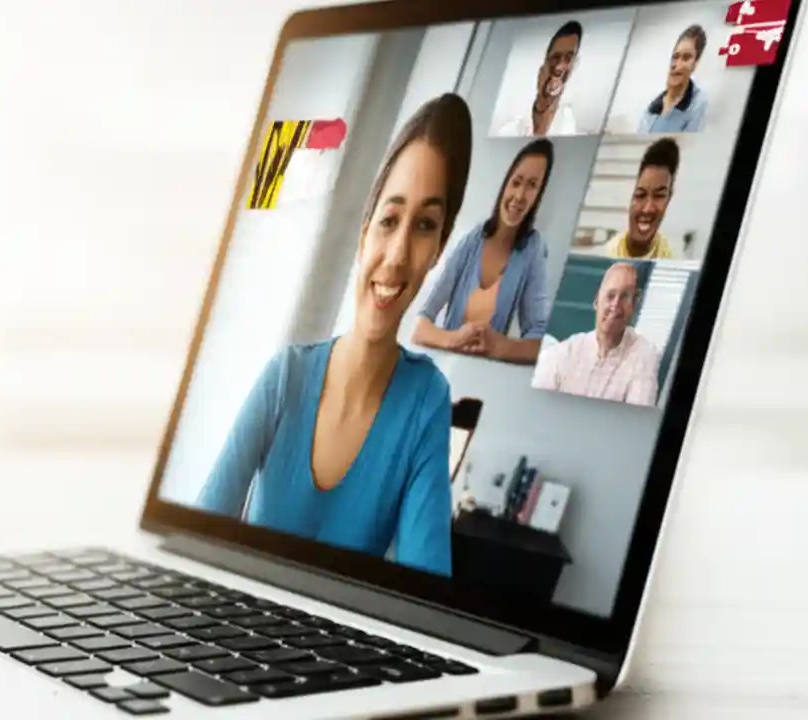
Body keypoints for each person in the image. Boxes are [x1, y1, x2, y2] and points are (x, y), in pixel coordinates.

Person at [194, 94, 474, 577]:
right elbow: (197, 539)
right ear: (364, 233)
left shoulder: (427, 400)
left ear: (438, 250)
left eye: (425, 226)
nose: (398, 254)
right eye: (389, 221)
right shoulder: (287, 376)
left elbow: (425, 587)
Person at [413, 139, 555, 364]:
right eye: (516, 182)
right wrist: (453, 339)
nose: (519, 195)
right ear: (505, 185)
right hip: (443, 368)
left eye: (532, 185)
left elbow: (539, 342)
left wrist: (500, 346)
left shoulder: (532, 249)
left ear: (538, 195)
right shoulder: (472, 240)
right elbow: (420, 328)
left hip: (482, 379)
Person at [531, 262, 660, 406]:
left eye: (625, 297)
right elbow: (538, 408)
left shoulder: (644, 355)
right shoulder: (563, 353)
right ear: (597, 300)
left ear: (634, 304)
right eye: (610, 296)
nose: (615, 305)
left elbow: (637, 419)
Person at [496, 21, 583, 137]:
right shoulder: (510, 127)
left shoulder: (570, 122)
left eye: (568, 58)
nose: (560, 66)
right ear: (544, 65)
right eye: (555, 58)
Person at [604, 138, 680, 259]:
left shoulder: (675, 258)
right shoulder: (606, 254)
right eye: (640, 195)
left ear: (669, 199)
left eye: (659, 196)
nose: (648, 209)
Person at [638, 25, 709, 133]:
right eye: (675, 57)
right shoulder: (653, 105)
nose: (676, 64)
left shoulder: (699, 103)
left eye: (686, 57)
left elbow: (689, 147)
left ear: (695, 63)